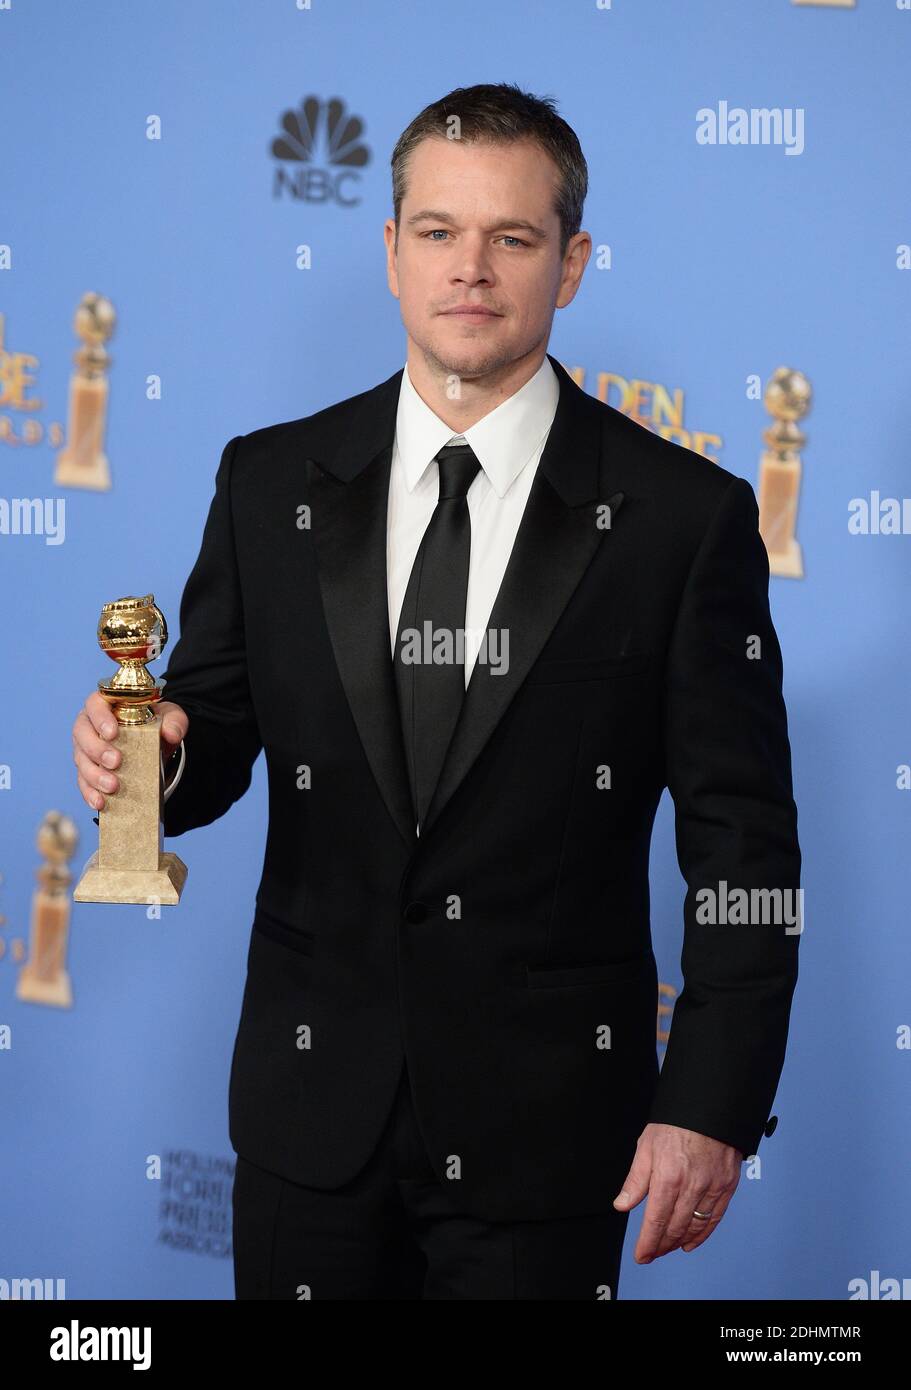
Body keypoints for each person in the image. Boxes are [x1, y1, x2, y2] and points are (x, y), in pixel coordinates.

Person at [71, 82, 801, 1300]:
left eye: (511, 237)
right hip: (311, 1124)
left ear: (569, 265)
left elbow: (743, 852)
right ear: (391, 252)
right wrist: (147, 758)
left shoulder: (682, 520)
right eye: (436, 232)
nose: (470, 268)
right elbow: (213, 734)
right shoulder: (268, 483)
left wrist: (711, 1103)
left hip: (552, 1132)